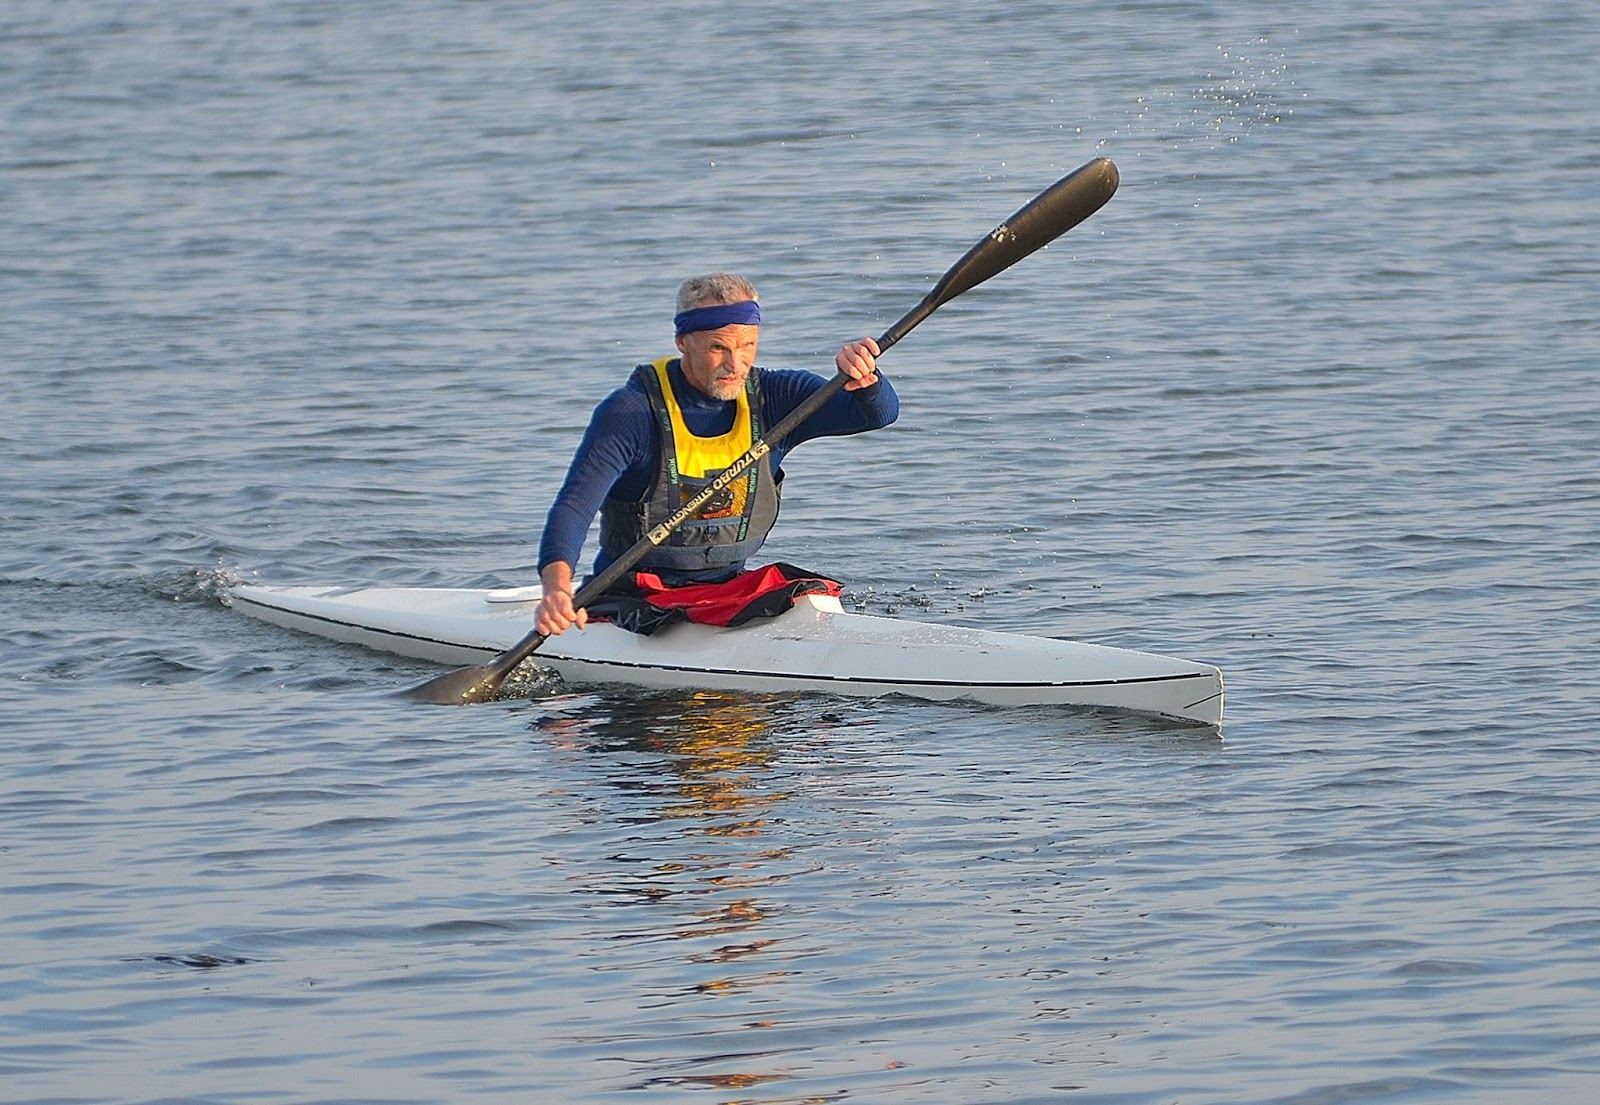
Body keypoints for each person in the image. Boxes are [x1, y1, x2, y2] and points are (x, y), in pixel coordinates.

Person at [534, 272, 898, 636]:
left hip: (727, 591)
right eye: (718, 348)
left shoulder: (777, 398)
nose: (735, 363)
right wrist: (556, 589)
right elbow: (574, 508)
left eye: (747, 345)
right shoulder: (630, 413)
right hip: (637, 597)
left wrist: (867, 382)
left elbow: (876, 414)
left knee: (812, 592)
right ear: (682, 342)